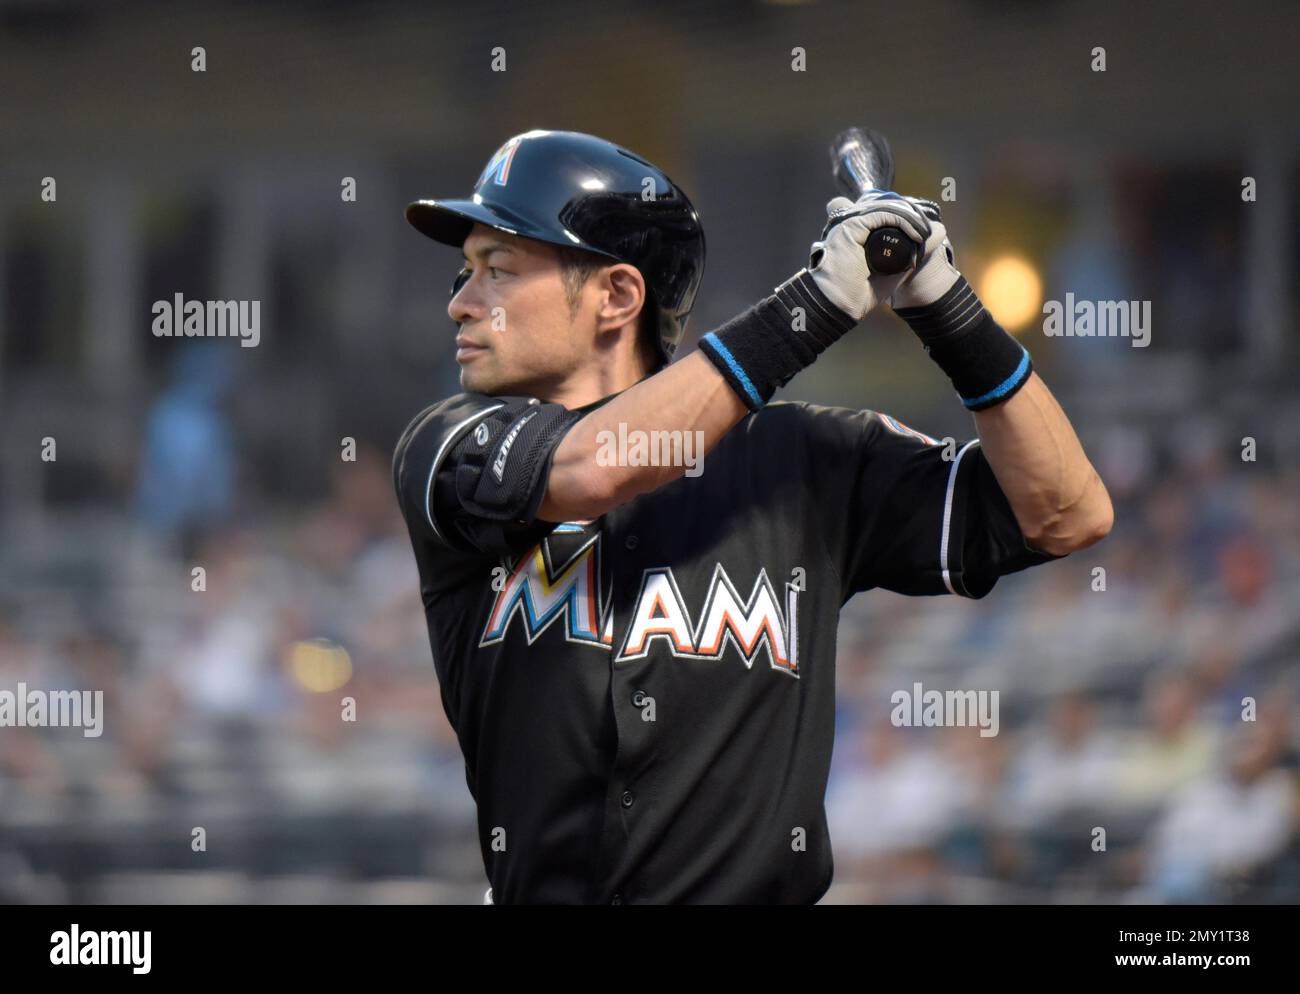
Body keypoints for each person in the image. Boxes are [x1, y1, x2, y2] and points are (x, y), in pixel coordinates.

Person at [392, 129, 1113, 904]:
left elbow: (1066, 512)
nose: (461, 301)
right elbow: (597, 467)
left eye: (498, 270)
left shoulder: (803, 459)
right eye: (466, 272)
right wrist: (816, 305)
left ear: (618, 297)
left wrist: (948, 307)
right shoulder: (450, 443)